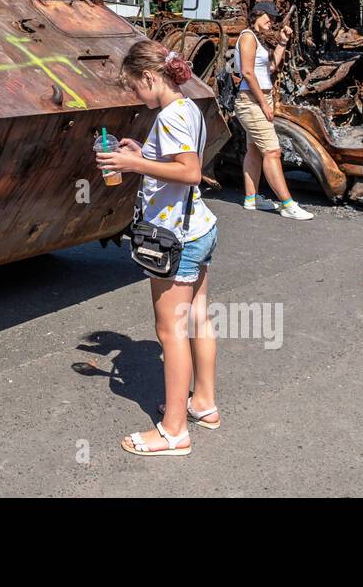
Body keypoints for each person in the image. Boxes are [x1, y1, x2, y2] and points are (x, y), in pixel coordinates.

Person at [96, 40, 220, 457]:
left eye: (135, 87)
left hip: (175, 237)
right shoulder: (189, 108)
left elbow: (190, 172)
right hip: (199, 227)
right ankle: (203, 403)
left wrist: (134, 164)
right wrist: (142, 152)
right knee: (198, 318)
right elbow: (178, 161)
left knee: (170, 331)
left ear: (150, 77)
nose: (136, 96)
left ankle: (173, 432)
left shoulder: (168, 116)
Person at [234, 0, 314, 220]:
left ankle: (251, 199)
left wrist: (282, 43)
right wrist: (263, 104)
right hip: (251, 100)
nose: (272, 20)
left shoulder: (256, 39)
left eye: (274, 17)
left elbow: (270, 68)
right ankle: (288, 204)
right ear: (257, 15)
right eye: (268, 16)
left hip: (259, 98)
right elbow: (248, 73)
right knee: (272, 151)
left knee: (255, 150)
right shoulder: (248, 37)